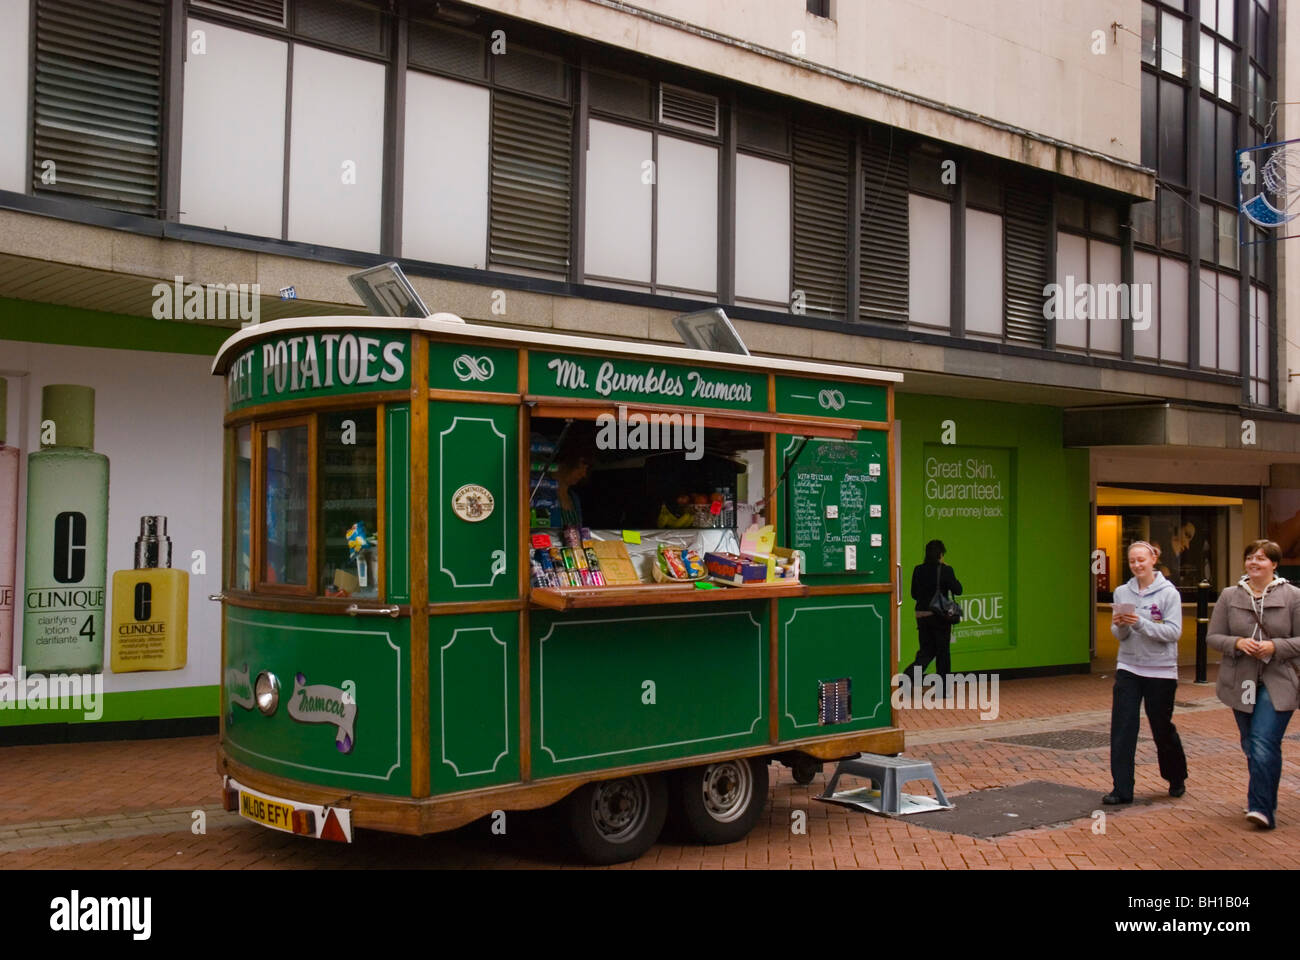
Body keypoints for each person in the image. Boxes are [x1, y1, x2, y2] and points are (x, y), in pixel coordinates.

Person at [1206, 539, 1300, 829]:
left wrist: (1275, 647)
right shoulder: (1229, 595)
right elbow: (1212, 637)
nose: (1254, 562)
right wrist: (1236, 642)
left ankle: (1261, 808)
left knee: (1263, 741)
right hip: (1241, 682)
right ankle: (1262, 799)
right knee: (1252, 745)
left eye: (1261, 558)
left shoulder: (1293, 596)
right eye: (1250, 557)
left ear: (1274, 564)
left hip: (1279, 680)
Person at [1104, 540, 1188, 805]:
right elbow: (1119, 634)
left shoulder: (1168, 593)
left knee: (1161, 727)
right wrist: (1121, 625)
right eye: (1132, 561)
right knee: (1123, 727)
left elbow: (1173, 632)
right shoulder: (1121, 592)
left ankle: (1176, 777)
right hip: (1128, 667)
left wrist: (1140, 623)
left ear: (1153, 559)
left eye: (1141, 559)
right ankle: (1122, 788)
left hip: (1161, 670)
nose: (1137, 565)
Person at [904, 540, 961, 684]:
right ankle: (943, 689)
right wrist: (949, 572)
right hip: (939, 617)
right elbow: (958, 590)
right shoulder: (945, 570)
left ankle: (906, 677)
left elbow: (914, 594)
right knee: (942, 653)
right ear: (941, 554)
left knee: (926, 652)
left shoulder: (918, 569)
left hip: (921, 616)